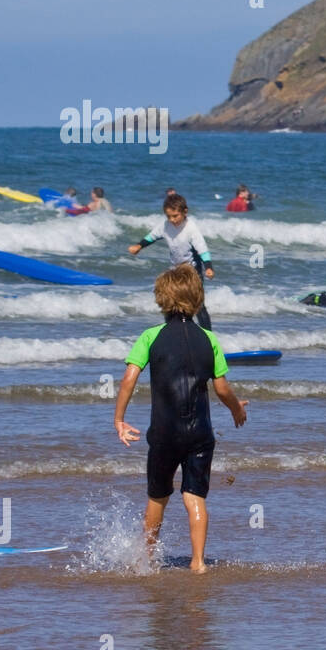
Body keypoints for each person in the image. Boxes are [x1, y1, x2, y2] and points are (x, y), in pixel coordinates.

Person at [114, 265, 247, 573]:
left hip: (164, 433)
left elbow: (127, 379)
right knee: (195, 496)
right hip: (201, 433)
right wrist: (237, 410)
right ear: (197, 299)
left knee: (158, 497)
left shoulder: (150, 336)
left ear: (161, 299)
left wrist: (119, 419)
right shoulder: (209, 339)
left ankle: (147, 560)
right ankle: (198, 562)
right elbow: (223, 388)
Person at [128, 193, 217, 330]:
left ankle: (209, 338)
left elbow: (202, 250)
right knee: (171, 302)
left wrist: (209, 268)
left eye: (175, 216)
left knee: (197, 305)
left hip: (193, 271)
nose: (172, 220)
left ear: (185, 212)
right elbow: (152, 236)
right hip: (175, 270)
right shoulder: (165, 225)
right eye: (169, 216)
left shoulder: (191, 228)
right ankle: (173, 332)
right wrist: (139, 246)